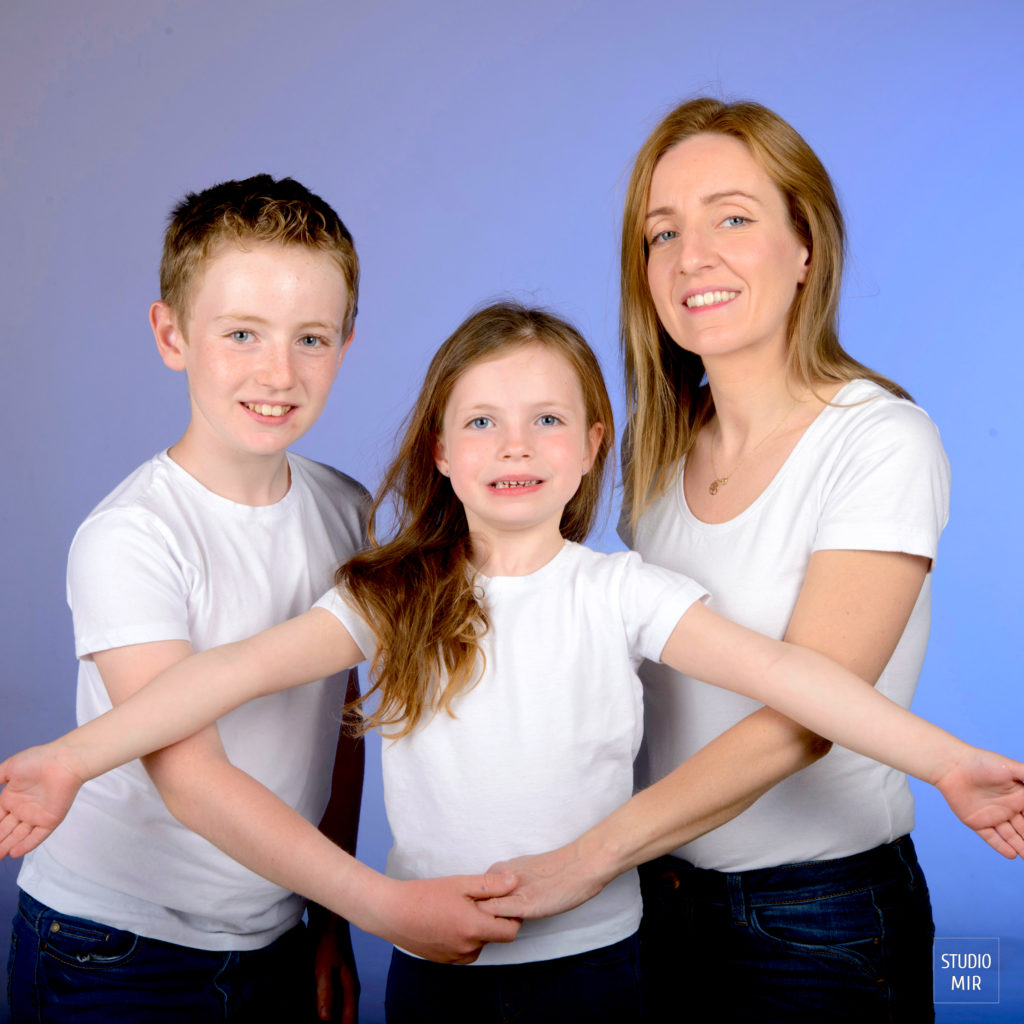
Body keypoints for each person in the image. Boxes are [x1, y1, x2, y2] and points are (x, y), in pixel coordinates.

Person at [2, 302, 1023, 1024]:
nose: (514, 445)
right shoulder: (388, 596)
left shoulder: (624, 590)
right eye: (482, 421)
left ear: (592, 444)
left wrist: (946, 761)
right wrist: (70, 758)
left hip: (599, 965)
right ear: (441, 452)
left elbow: (797, 677)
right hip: (433, 967)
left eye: (546, 420)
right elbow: (218, 677)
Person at [475, 98, 989, 1022]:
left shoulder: (879, 441)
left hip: (815, 923)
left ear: (807, 248)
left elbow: (805, 718)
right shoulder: (662, 450)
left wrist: (588, 857)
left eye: (734, 219)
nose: (691, 257)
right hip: (658, 901)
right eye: (662, 233)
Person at [3, 177, 519, 1024]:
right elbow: (191, 778)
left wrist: (327, 918)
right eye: (241, 333)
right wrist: (378, 905)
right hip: (115, 951)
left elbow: (339, 717)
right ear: (172, 334)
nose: (278, 373)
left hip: (277, 933)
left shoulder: (344, 508)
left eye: (310, 338)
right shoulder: (132, 536)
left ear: (346, 342)